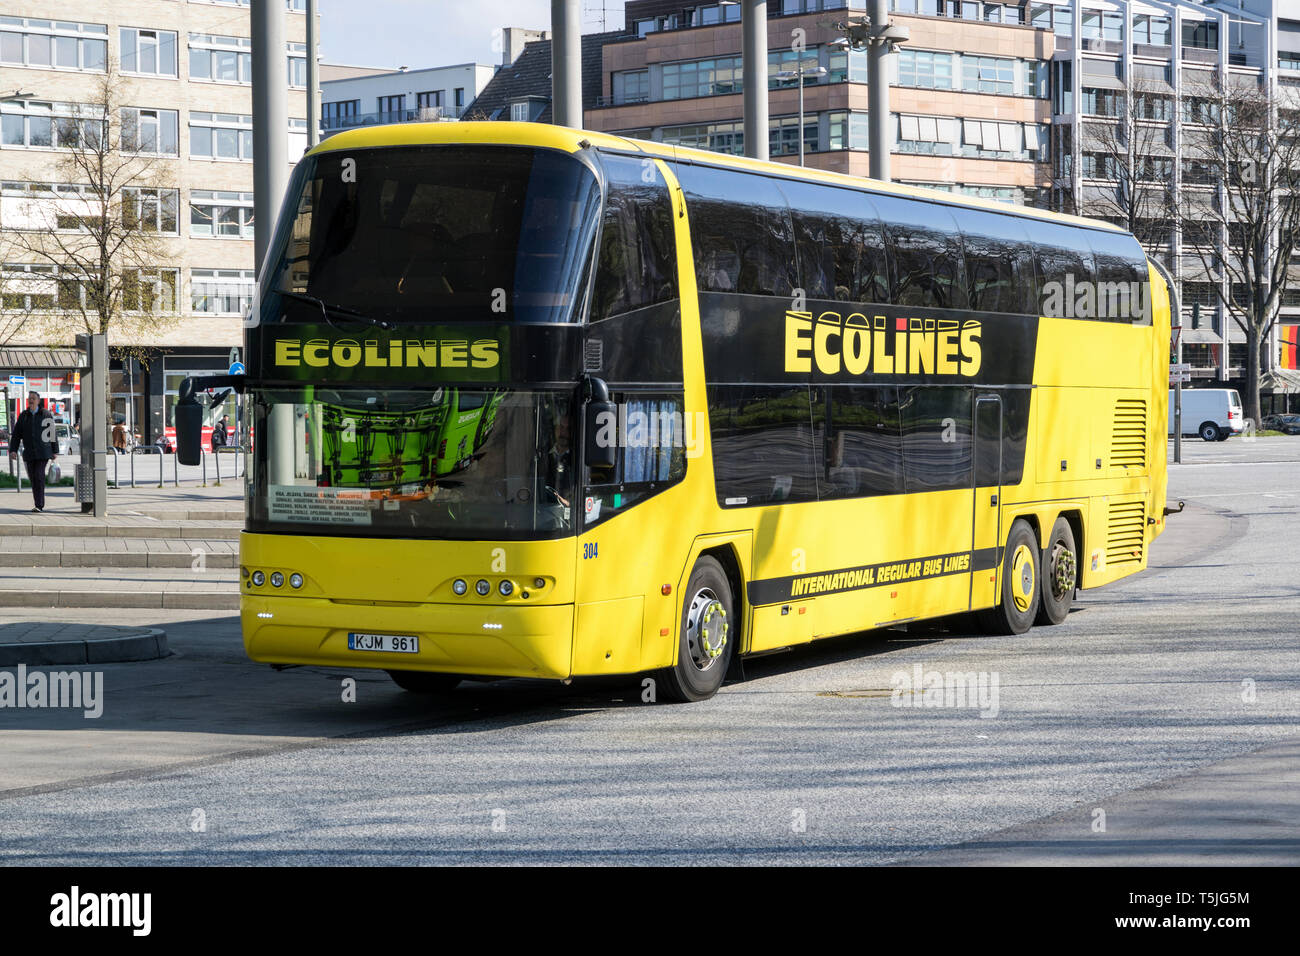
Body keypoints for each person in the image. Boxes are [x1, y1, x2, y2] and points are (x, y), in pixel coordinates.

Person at [9, 391, 57, 513]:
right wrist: (13, 450)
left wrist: (54, 450)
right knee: (33, 479)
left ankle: (39, 505)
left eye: (33, 398)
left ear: (38, 401)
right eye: (29, 398)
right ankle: (38, 504)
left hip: (43, 452)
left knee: (39, 476)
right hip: (29, 453)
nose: (31, 400)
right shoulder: (24, 416)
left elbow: (52, 432)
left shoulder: (45, 414)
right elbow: (16, 435)